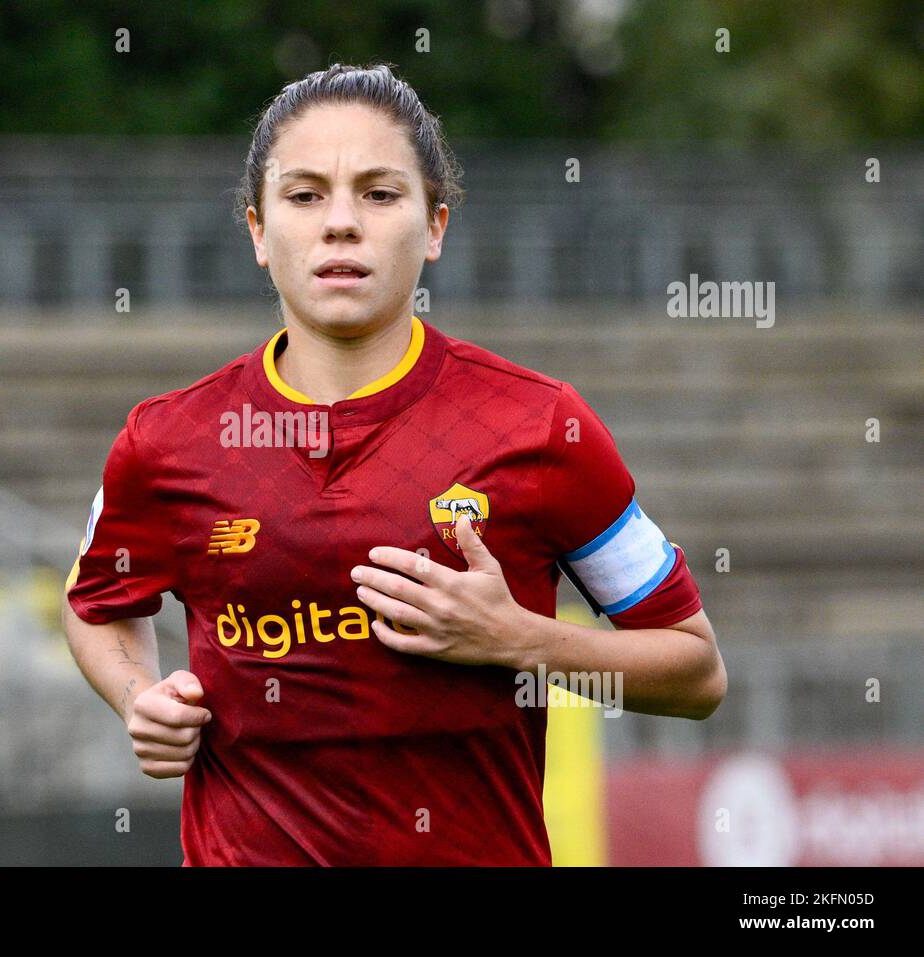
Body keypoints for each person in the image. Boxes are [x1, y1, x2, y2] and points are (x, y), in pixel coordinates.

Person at [63, 62, 726, 866]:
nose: (341, 223)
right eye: (305, 195)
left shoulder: (541, 426)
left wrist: (518, 639)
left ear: (436, 226)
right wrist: (141, 696)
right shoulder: (169, 439)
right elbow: (95, 600)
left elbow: (695, 673)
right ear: (258, 232)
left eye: (379, 194)